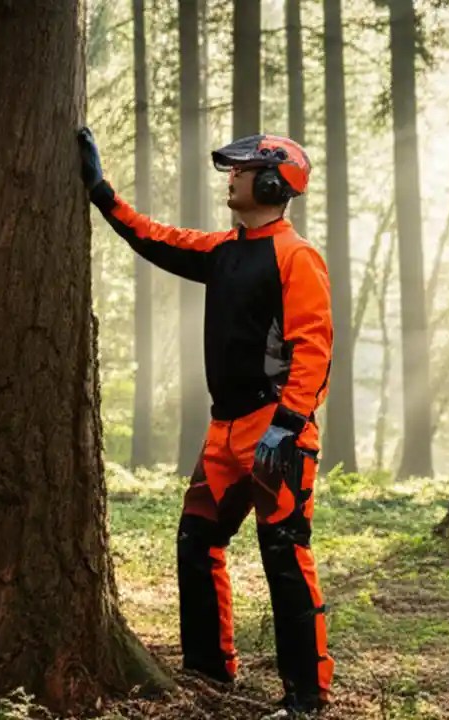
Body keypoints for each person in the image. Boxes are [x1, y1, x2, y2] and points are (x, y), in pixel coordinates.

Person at [77, 127, 334, 716]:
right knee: (197, 541)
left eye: (243, 169)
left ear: (273, 183)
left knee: (284, 551)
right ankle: (208, 673)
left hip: (276, 430)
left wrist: (287, 425)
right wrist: (101, 192)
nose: (232, 176)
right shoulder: (225, 250)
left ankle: (307, 695)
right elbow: (158, 239)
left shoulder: (297, 256)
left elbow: (314, 348)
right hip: (224, 431)